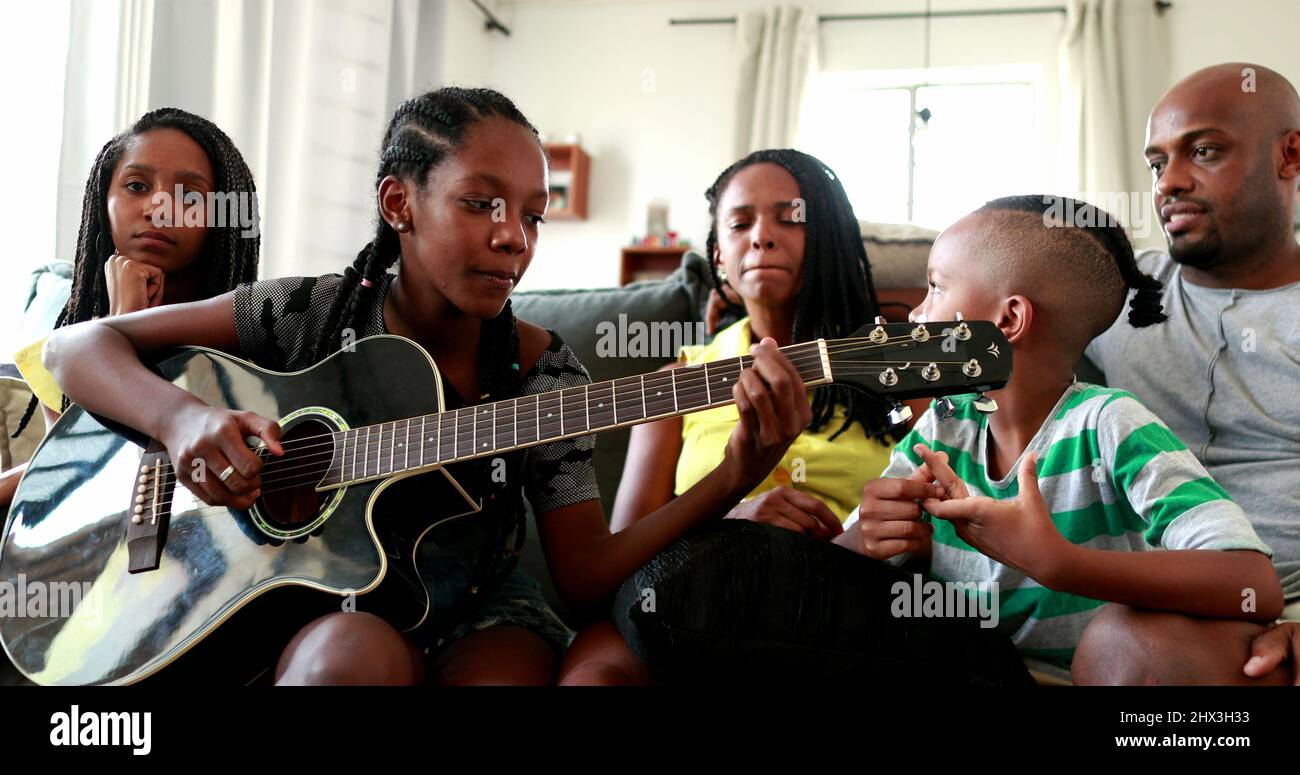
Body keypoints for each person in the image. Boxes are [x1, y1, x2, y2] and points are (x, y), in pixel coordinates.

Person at [43, 87, 814, 685]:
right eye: (481, 203)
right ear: (398, 204)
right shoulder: (306, 311)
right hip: (323, 601)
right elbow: (79, 344)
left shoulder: (546, 373)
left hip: (480, 605)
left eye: (533, 216)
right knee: (339, 665)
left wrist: (736, 474)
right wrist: (179, 421)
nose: (513, 235)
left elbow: (583, 582)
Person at [614, 196, 1282, 684]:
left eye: (935, 288)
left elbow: (1252, 582)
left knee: (1117, 649)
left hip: (1096, 672)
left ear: (1007, 319)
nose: (918, 312)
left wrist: (1055, 560)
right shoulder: (947, 426)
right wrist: (863, 540)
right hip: (968, 666)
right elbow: (856, 570)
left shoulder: (1111, 424)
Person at [559, 149, 908, 684]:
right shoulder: (677, 379)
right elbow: (624, 549)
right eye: (741, 222)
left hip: (844, 604)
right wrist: (729, 525)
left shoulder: (894, 372)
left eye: (789, 218)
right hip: (695, 604)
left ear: (829, 238)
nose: (761, 236)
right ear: (719, 254)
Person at [1072, 63, 1300, 685]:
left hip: (1275, 615)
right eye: (1155, 164)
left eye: (1204, 151)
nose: (1169, 182)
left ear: (1290, 154)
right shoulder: (1108, 290)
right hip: (1130, 600)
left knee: (1130, 648)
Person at [2, 107, 260, 512]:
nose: (159, 208)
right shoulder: (59, 345)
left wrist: (124, 328)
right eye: (137, 186)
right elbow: (78, 471)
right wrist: (115, 325)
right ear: (103, 202)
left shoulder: (255, 332)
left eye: (190, 197)